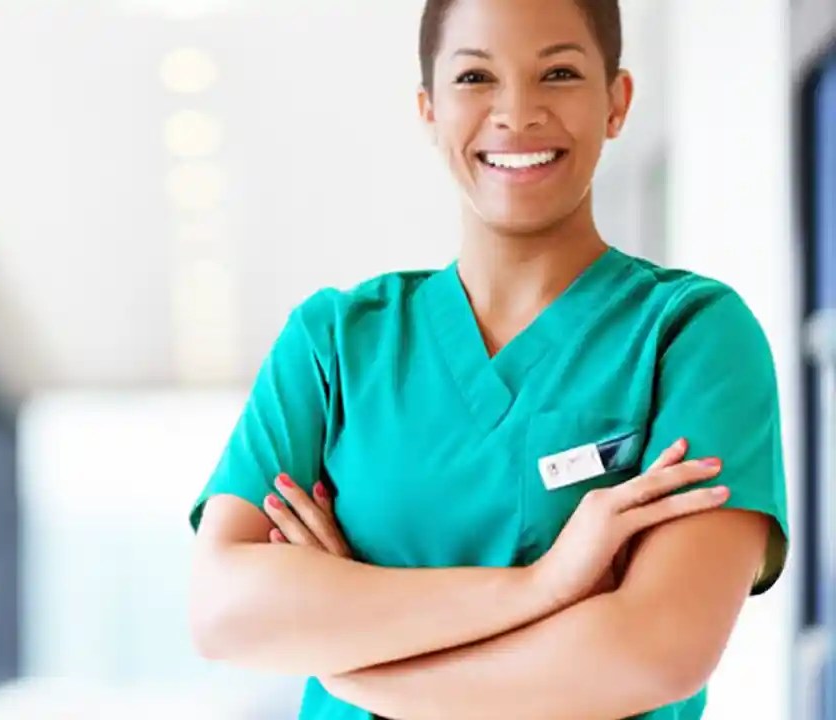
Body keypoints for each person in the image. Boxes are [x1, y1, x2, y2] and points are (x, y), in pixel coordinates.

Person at [185, 0, 790, 718]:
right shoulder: (334, 344)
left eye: (559, 73)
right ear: (429, 109)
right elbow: (223, 610)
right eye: (475, 78)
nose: (517, 113)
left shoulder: (690, 337)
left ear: (616, 101)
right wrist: (544, 585)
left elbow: (652, 652)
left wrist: (360, 662)